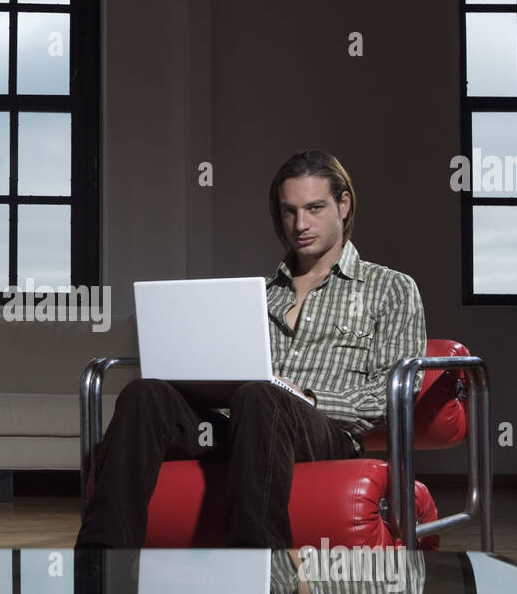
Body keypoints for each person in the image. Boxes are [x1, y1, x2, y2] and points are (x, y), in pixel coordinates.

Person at [74, 150, 427, 550]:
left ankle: (257, 566)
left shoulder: (390, 287)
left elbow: (395, 392)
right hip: (241, 426)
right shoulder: (256, 293)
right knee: (146, 393)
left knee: (263, 395)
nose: (301, 224)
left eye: (315, 208)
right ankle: (99, 567)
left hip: (326, 434)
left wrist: (307, 397)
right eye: (289, 211)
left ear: (343, 204)